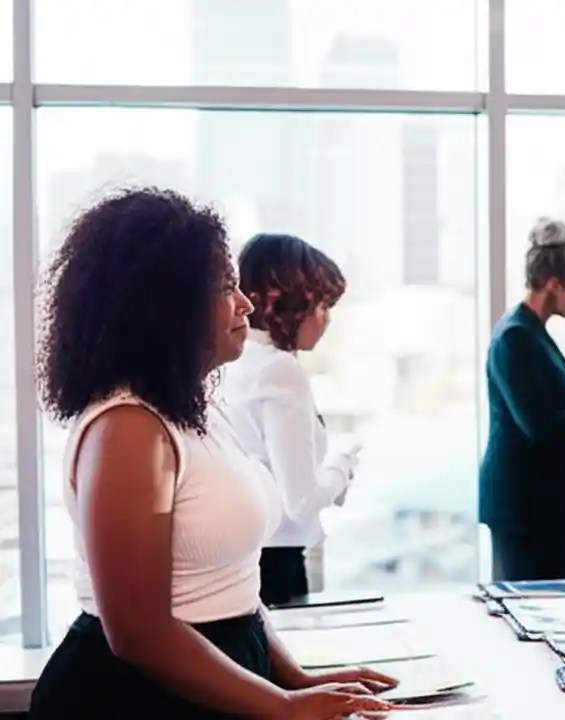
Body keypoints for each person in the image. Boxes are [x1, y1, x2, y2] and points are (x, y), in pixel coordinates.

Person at [28, 187, 395, 719]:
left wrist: (295, 679)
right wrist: (284, 704)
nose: (245, 303)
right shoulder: (129, 428)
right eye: (225, 287)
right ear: (166, 307)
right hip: (138, 699)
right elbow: (137, 629)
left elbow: (232, 585)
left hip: (214, 677)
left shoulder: (194, 410)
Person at [479, 217, 565, 581]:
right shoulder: (515, 338)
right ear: (554, 285)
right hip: (527, 509)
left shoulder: (534, 335)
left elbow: (552, 410)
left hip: (544, 507)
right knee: (534, 608)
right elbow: (540, 426)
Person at [222, 232, 359, 607]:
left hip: (244, 557)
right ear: (284, 302)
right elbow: (301, 501)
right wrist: (343, 465)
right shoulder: (280, 371)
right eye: (321, 306)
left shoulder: (238, 360)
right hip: (277, 562)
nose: (326, 320)